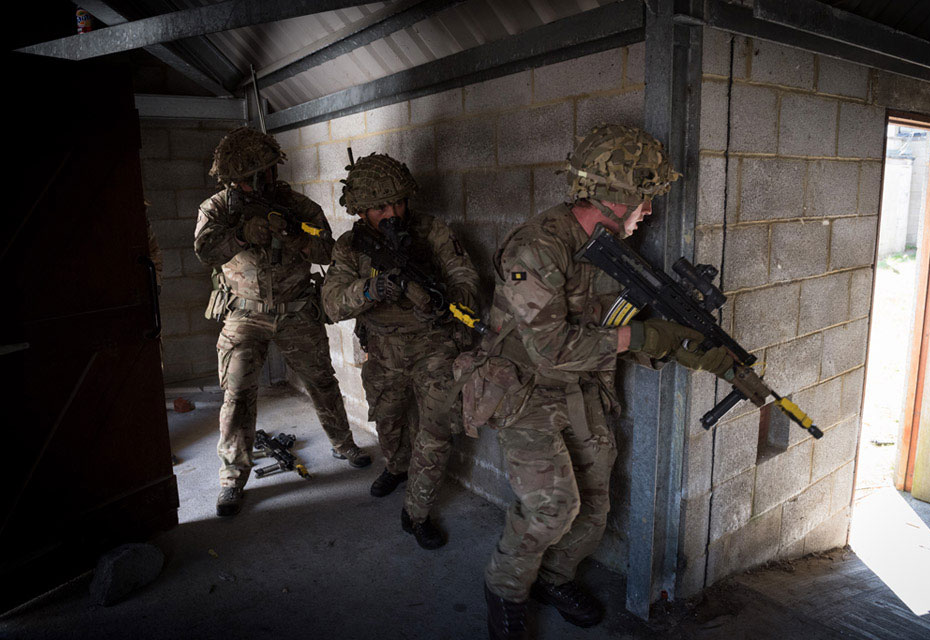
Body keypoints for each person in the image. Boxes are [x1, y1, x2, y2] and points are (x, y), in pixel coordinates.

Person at [478, 124, 733, 639]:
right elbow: (552, 348)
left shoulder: (611, 250)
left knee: (595, 507)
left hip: (583, 391)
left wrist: (683, 347)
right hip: (525, 391)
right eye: (645, 199)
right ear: (615, 197)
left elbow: (621, 329)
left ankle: (554, 577)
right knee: (552, 508)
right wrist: (643, 335)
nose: (650, 212)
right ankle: (505, 588)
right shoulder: (538, 249)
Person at [194, 127, 371, 518]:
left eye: (258, 176)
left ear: (270, 172)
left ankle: (343, 443)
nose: (251, 185)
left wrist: (295, 235)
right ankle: (232, 477)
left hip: (296, 312)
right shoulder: (219, 208)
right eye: (241, 180)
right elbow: (205, 249)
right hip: (245, 314)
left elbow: (329, 250)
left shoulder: (297, 206)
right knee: (237, 394)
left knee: (322, 381)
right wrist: (241, 235)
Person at [322, 152, 479, 549]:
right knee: (389, 421)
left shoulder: (432, 230)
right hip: (383, 350)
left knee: (436, 431)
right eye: (379, 207)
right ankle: (395, 467)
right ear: (360, 210)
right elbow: (331, 303)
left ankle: (417, 511)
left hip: (435, 347)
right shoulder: (350, 247)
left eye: (397, 202)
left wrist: (453, 299)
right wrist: (371, 290)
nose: (391, 212)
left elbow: (464, 275)